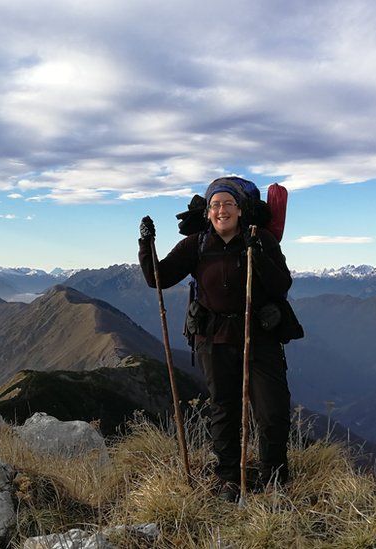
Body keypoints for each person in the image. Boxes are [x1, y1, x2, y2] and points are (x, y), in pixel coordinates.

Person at [137, 176, 293, 502]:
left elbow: (281, 284)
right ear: (208, 212)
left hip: (259, 335)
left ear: (240, 209)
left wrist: (258, 255)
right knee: (224, 409)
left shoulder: (260, 239)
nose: (222, 210)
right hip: (213, 337)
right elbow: (158, 278)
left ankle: (274, 480)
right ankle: (228, 478)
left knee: (272, 410)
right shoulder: (196, 244)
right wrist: (146, 245)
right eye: (215, 205)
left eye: (228, 204)